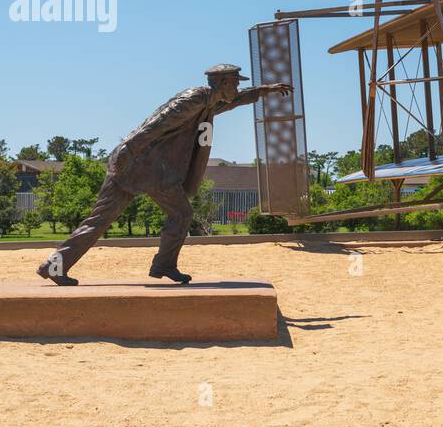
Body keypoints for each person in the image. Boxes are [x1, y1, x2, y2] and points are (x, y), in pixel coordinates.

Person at [36, 64, 289, 286]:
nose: (236, 87)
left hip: (139, 167)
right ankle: (163, 266)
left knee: (98, 221)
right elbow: (157, 123)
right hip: (146, 167)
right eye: (235, 82)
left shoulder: (209, 102)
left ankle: (54, 266)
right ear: (223, 83)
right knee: (181, 214)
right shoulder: (193, 99)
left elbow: (238, 100)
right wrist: (127, 151)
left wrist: (266, 90)